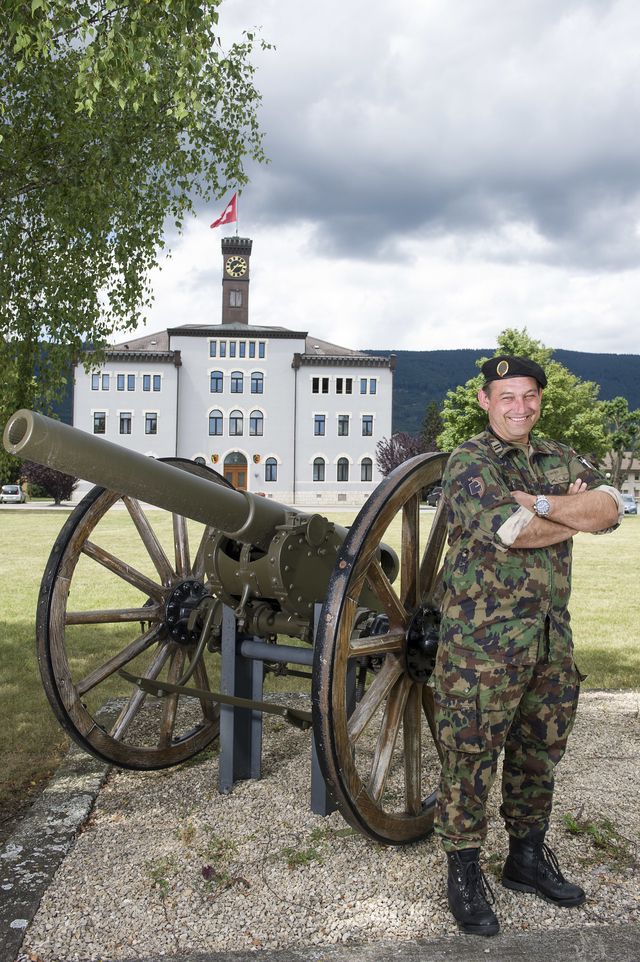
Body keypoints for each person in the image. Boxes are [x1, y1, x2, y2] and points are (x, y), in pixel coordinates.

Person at [433, 354, 623, 937]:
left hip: (548, 637)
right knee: (470, 759)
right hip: (479, 648)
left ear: (540, 399)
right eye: (506, 397)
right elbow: (510, 533)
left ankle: (526, 857)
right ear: (486, 401)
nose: (520, 407)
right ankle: (463, 873)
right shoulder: (469, 460)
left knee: (539, 752)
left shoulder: (557, 455)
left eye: (529, 396)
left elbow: (618, 507)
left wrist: (538, 502)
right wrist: (573, 515)